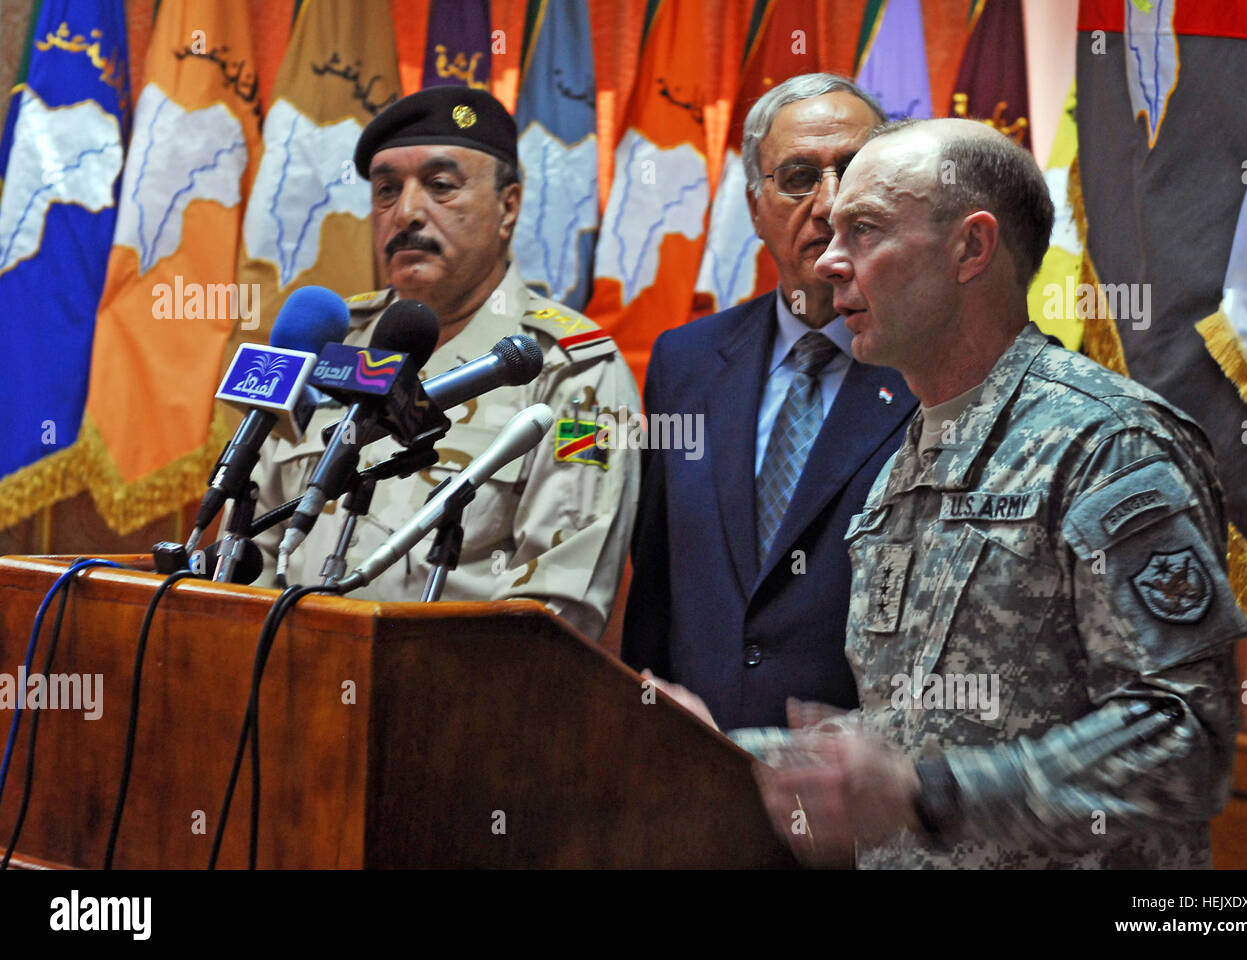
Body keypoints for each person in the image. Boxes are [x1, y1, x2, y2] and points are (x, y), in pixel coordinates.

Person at [753, 117, 1247, 869]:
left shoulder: (1106, 443)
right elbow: (918, 734)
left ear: (971, 248)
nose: (827, 262)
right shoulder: (905, 464)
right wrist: (721, 746)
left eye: (864, 230)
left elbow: (1185, 732)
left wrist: (933, 796)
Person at [242, 87, 640, 641]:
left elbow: (554, 615)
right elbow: (245, 555)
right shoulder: (327, 342)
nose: (406, 213)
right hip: (287, 694)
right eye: (386, 191)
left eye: (440, 186)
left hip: (451, 713)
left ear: (509, 207)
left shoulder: (574, 374)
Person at [621, 74, 916, 732]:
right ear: (755, 209)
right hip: (698, 775)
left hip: (871, 800)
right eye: (799, 177)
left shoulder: (937, 364)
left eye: (854, 170)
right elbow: (656, 585)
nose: (831, 201)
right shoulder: (685, 362)